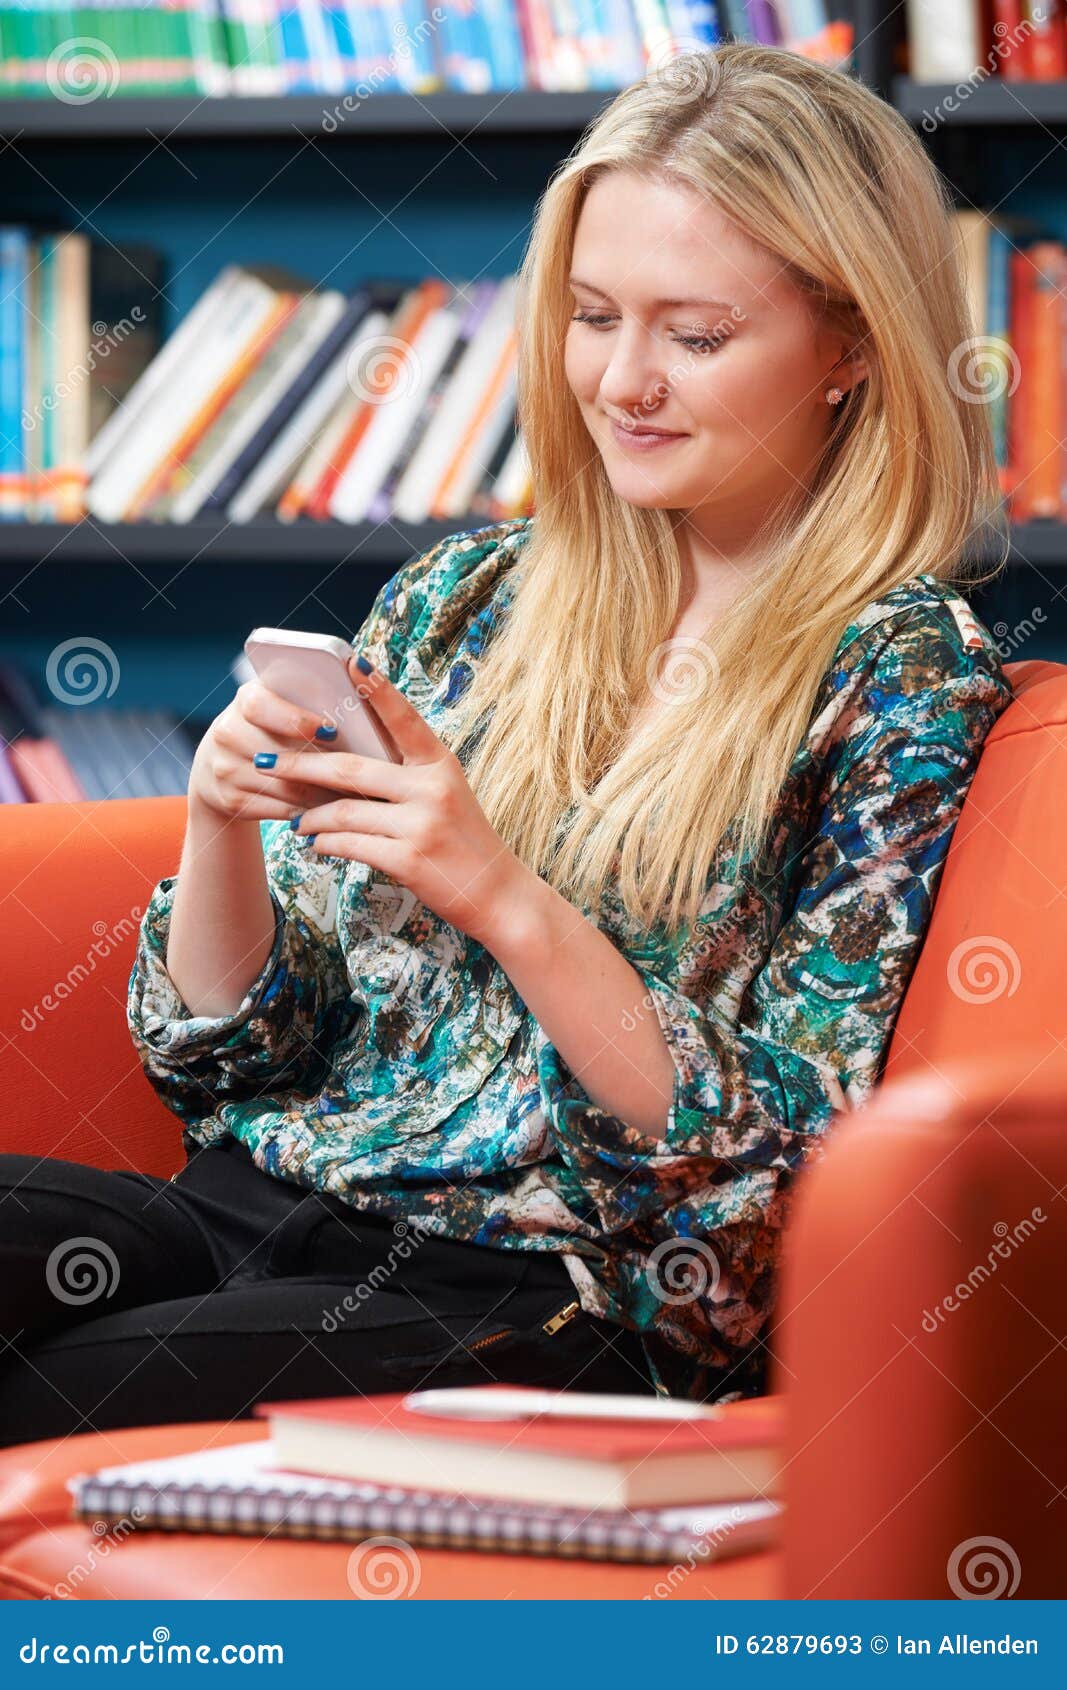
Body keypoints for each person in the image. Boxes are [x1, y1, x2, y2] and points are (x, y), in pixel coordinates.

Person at [0, 43, 1015, 1448]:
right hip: (249, 1207)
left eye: (696, 336)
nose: (624, 381)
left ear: (851, 346)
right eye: (593, 316)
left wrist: (502, 893)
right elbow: (237, 1056)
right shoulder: (467, 596)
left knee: (48, 1400)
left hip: (542, 1289)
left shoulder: (897, 676)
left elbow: (777, 1182)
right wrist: (220, 821)